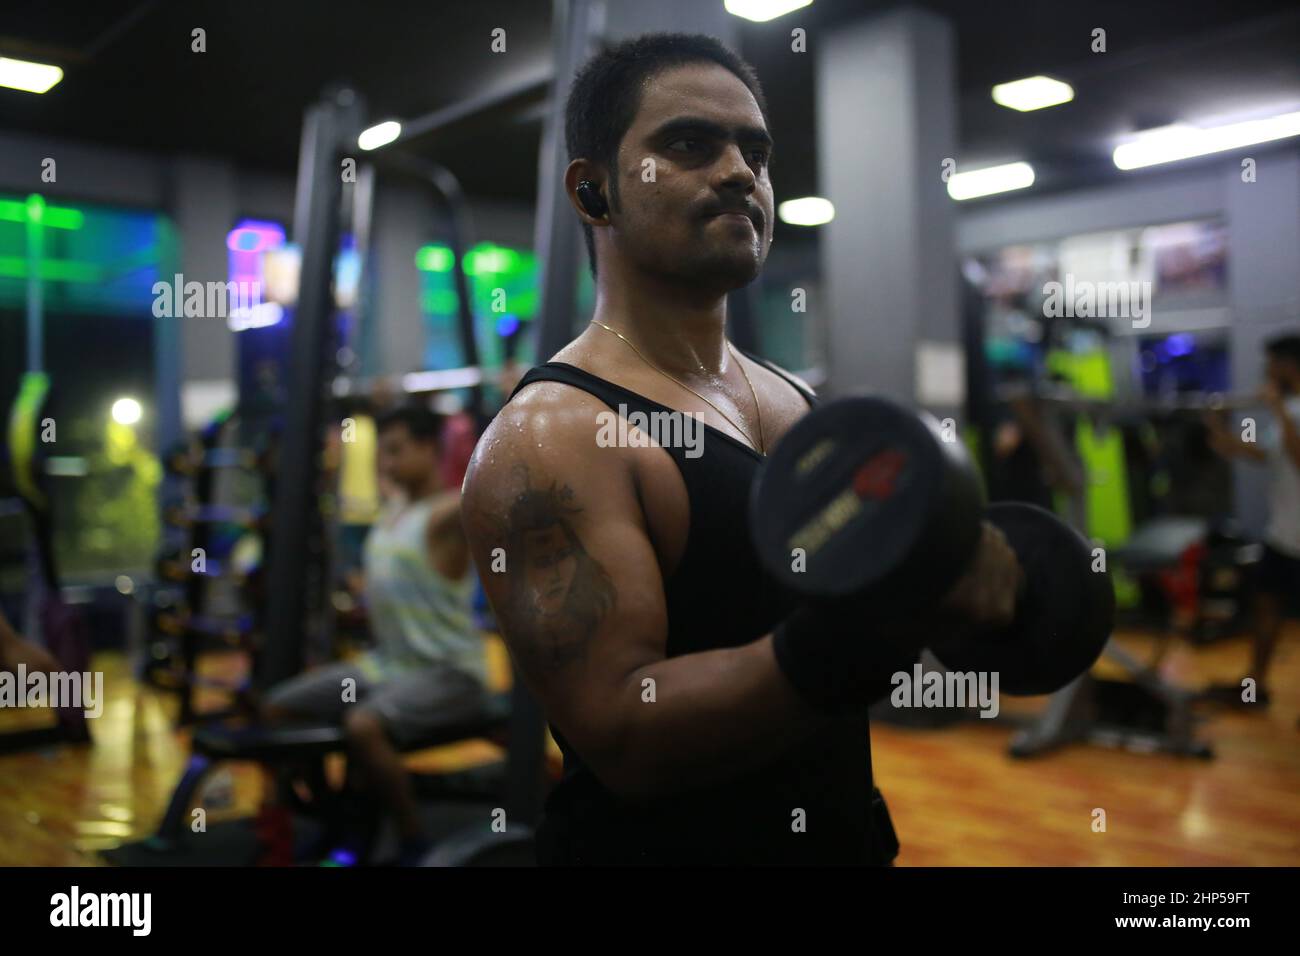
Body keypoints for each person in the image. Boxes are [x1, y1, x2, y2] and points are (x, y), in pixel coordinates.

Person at [460, 33, 1021, 865]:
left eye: (754, 151)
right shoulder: (551, 438)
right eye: (689, 144)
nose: (737, 172)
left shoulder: (792, 398)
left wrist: (967, 591)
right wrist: (869, 635)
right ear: (594, 190)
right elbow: (626, 734)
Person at [262, 405, 488, 864]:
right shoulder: (395, 507)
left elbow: (491, 487)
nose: (384, 463)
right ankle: (335, 817)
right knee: (280, 705)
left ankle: (413, 840)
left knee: (364, 726)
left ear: (430, 449)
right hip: (386, 667)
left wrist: (506, 406)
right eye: (381, 453)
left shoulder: (447, 513)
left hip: (450, 673)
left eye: (395, 451)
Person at [1203, 333, 1300, 708]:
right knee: (1265, 608)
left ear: (1290, 365)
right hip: (1282, 536)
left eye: (1272, 363)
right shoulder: (1289, 411)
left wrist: (1276, 409)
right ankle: (1254, 687)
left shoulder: (1289, 411)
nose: (1267, 370)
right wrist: (1218, 431)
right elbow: (1264, 456)